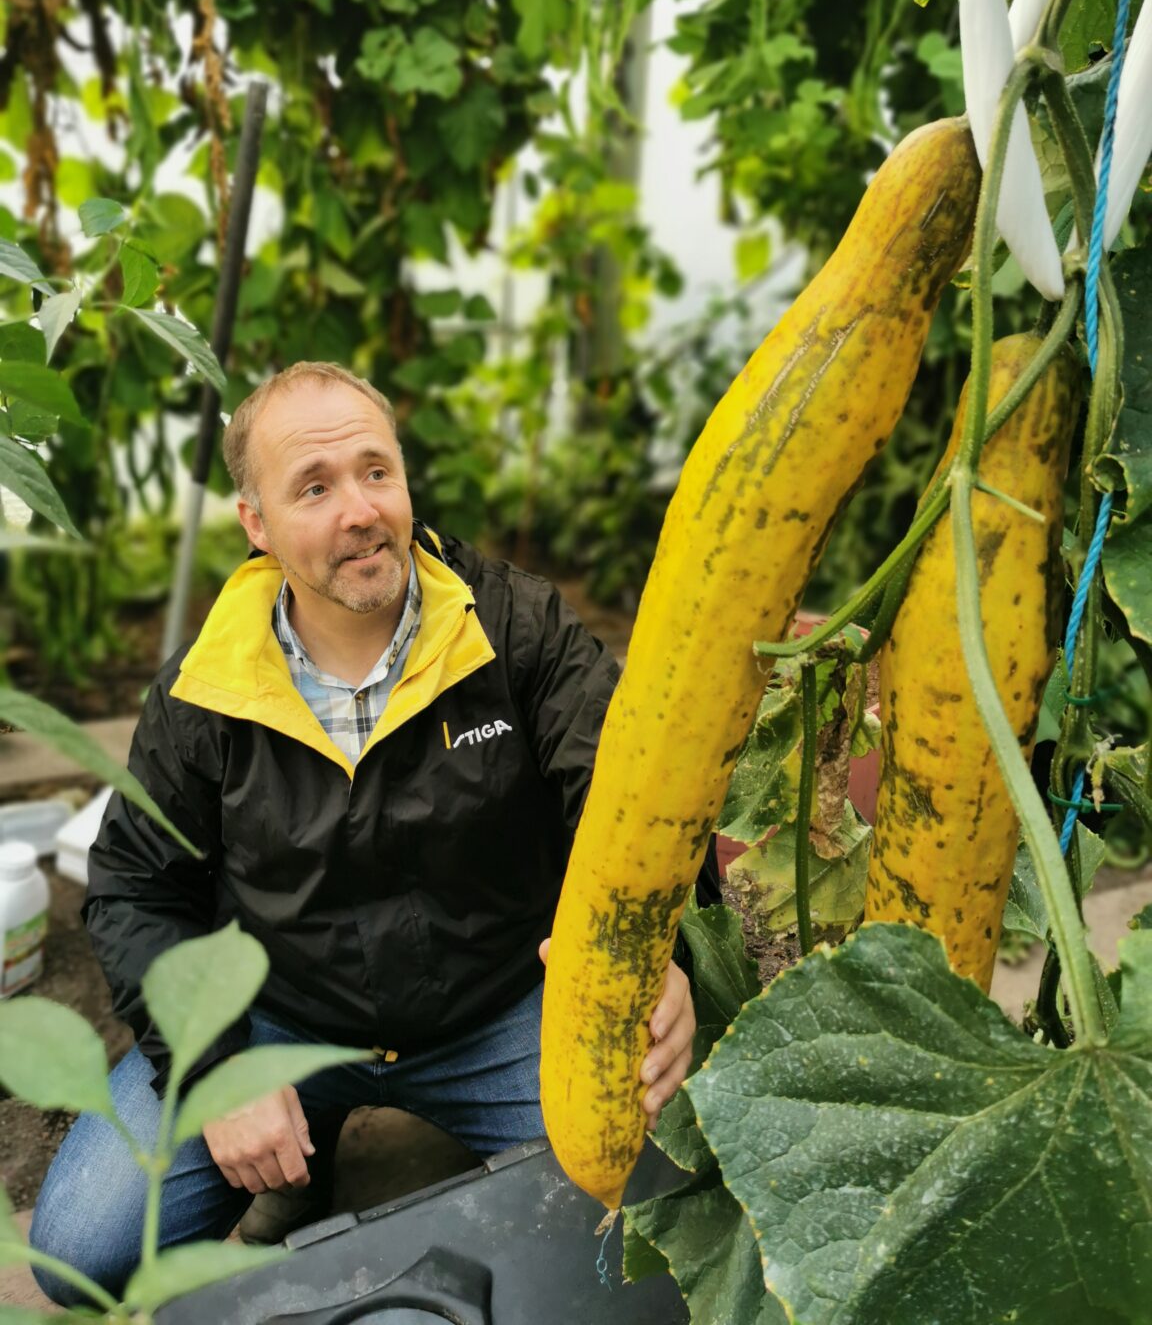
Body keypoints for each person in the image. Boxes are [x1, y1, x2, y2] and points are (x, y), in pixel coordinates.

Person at [30, 361, 719, 1306]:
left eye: (375, 472)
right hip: (279, 1017)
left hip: (501, 1007)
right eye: (314, 488)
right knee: (79, 1250)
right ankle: (294, 1149)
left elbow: (634, 800)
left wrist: (661, 959)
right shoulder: (205, 688)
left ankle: (343, 1146)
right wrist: (218, 1070)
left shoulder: (513, 626)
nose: (360, 511)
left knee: (664, 1205)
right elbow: (133, 888)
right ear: (257, 525)